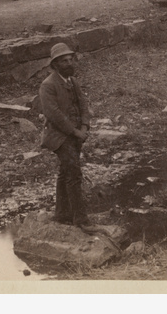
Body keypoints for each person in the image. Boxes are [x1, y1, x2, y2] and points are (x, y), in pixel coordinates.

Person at [38, 43, 94, 229]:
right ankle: (81, 220)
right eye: (64, 61)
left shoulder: (73, 81)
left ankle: (62, 214)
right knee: (74, 174)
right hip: (59, 136)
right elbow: (54, 115)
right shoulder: (48, 86)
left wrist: (85, 126)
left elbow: (83, 104)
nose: (69, 63)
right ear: (55, 65)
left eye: (70, 60)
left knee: (65, 173)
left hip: (76, 134)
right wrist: (76, 132)